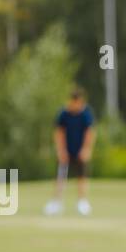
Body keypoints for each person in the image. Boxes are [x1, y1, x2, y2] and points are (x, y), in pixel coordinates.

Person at [45, 87, 96, 216]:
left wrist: (86, 149)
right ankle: (57, 203)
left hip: (80, 151)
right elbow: (59, 132)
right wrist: (61, 150)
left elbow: (90, 132)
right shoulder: (64, 113)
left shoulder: (86, 114)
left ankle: (82, 203)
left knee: (81, 176)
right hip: (66, 151)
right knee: (60, 177)